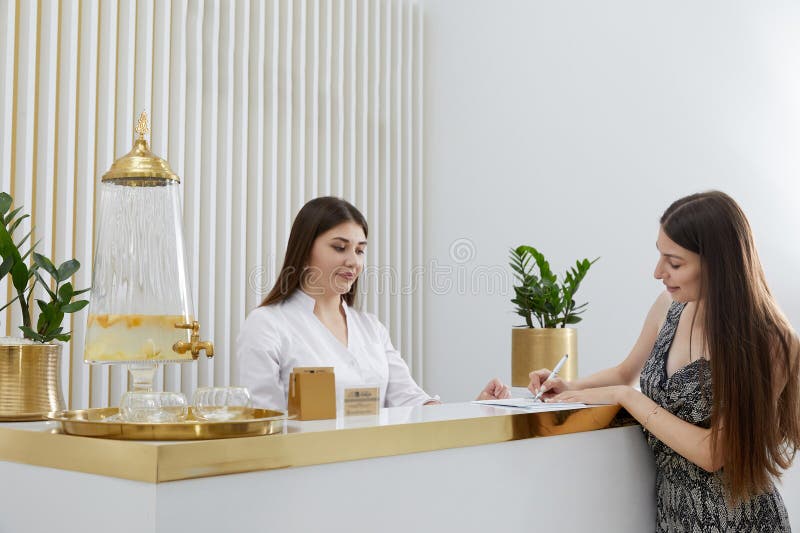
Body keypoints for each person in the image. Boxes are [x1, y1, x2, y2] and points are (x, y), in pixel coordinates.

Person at [529, 191, 799, 531]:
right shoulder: (668, 307)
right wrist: (570, 386)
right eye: (660, 256)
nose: (658, 272)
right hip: (674, 516)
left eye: (675, 263)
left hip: (740, 521)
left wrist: (625, 396)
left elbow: (713, 453)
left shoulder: (773, 341)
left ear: (717, 264)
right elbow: (626, 372)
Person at [236, 196, 509, 411]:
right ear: (305, 250)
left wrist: (478, 407)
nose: (353, 262)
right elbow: (265, 424)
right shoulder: (267, 325)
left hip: (375, 471)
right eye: (339, 247)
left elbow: (411, 402)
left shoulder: (371, 328)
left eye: (360, 250)